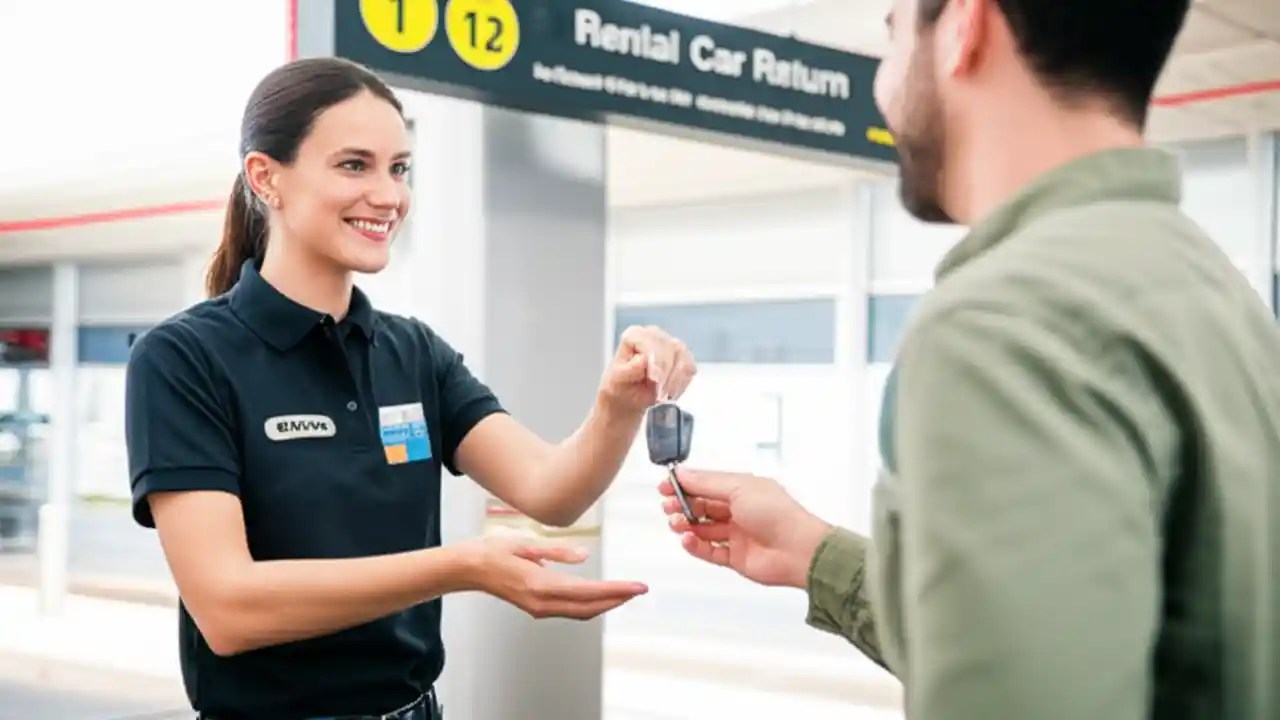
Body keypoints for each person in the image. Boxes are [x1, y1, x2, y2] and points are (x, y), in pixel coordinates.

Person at [661, 0, 1279, 718]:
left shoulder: (1004, 321)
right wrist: (813, 554)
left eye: (892, 37)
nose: (881, 90)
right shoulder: (1216, 293)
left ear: (965, 26)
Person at [124, 57, 696, 720]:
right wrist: (463, 566)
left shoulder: (413, 352)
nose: (389, 195)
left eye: (399, 168)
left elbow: (551, 490)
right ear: (266, 178)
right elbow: (229, 607)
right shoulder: (184, 359)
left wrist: (617, 404)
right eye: (353, 165)